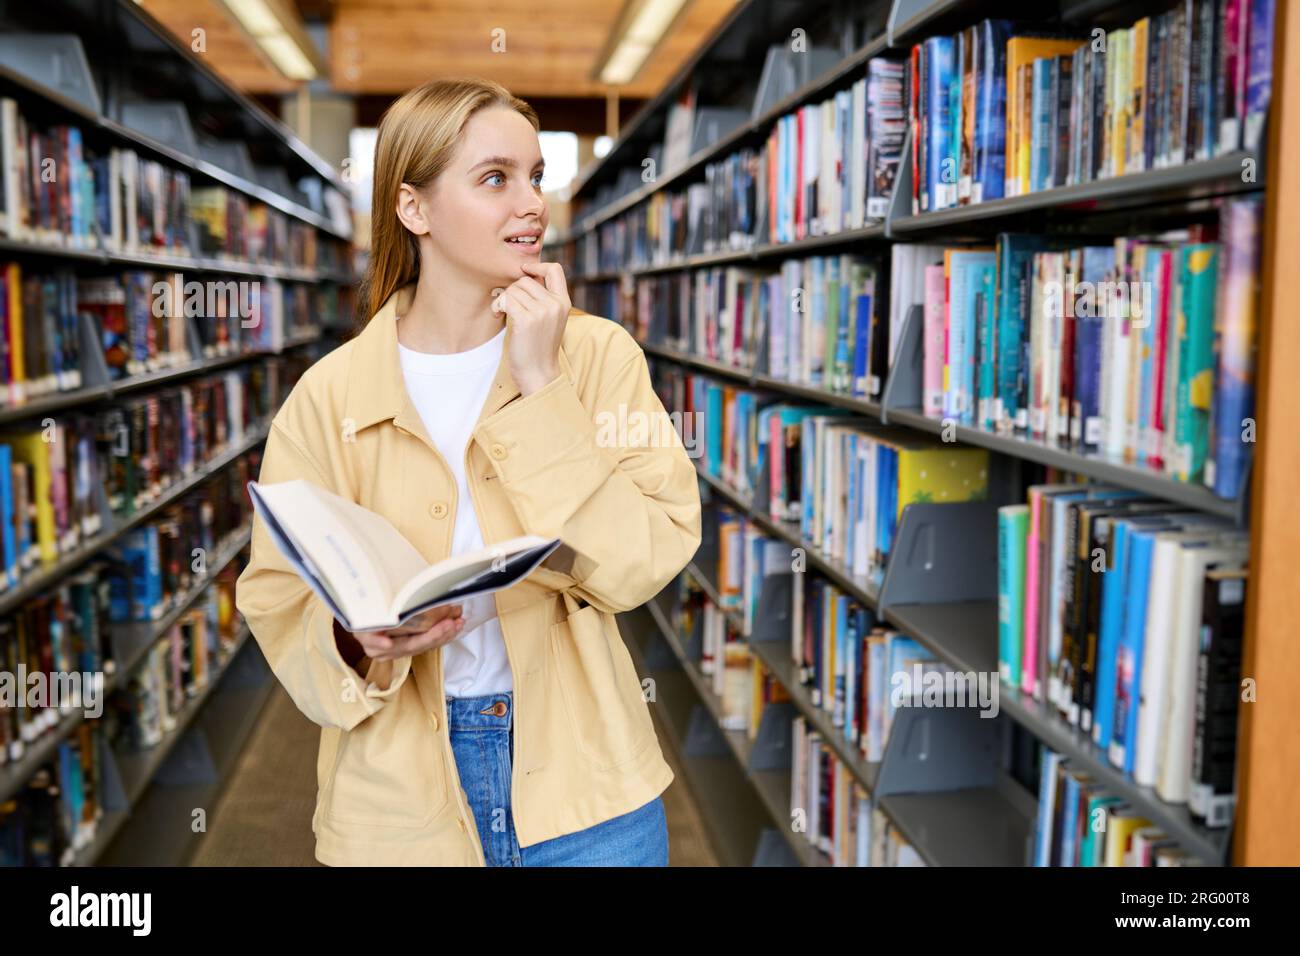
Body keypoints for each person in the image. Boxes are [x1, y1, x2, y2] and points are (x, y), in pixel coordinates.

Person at [234, 77, 701, 866]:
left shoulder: (593, 356)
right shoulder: (331, 394)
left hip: (585, 788)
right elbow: (277, 598)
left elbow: (644, 561)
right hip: (398, 801)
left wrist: (543, 388)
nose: (532, 205)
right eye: (495, 179)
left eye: (536, 177)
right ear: (413, 209)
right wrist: (359, 643)